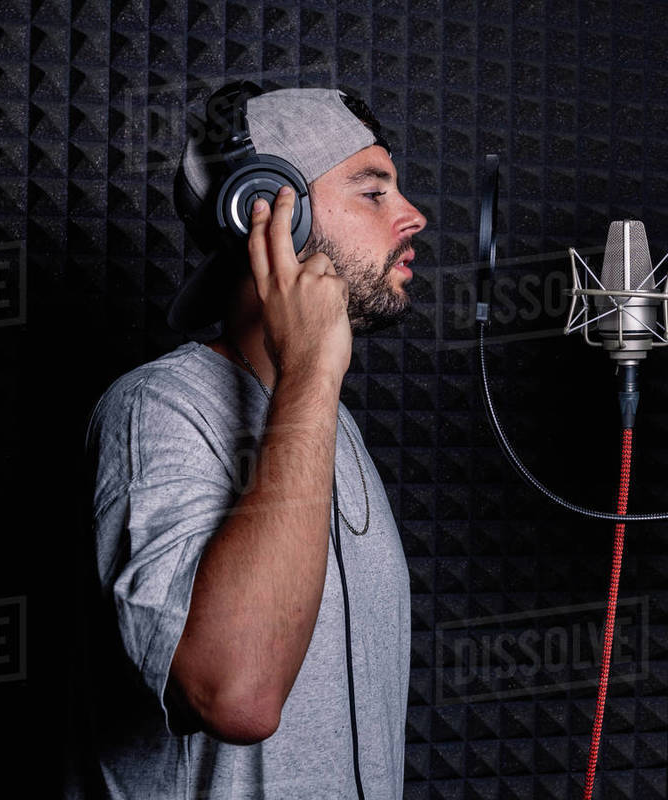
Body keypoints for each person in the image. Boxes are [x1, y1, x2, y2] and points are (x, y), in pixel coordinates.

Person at [75, 84, 426, 799]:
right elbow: (237, 695)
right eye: (373, 192)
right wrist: (312, 372)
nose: (413, 215)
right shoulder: (156, 409)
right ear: (264, 208)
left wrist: (312, 384)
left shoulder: (329, 420)